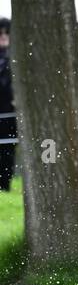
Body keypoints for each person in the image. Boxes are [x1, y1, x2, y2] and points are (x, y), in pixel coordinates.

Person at [0, 18, 14, 191]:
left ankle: (4, 185)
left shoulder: (15, 57)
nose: (3, 37)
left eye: (6, 33)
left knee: (7, 151)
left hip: (10, 111)